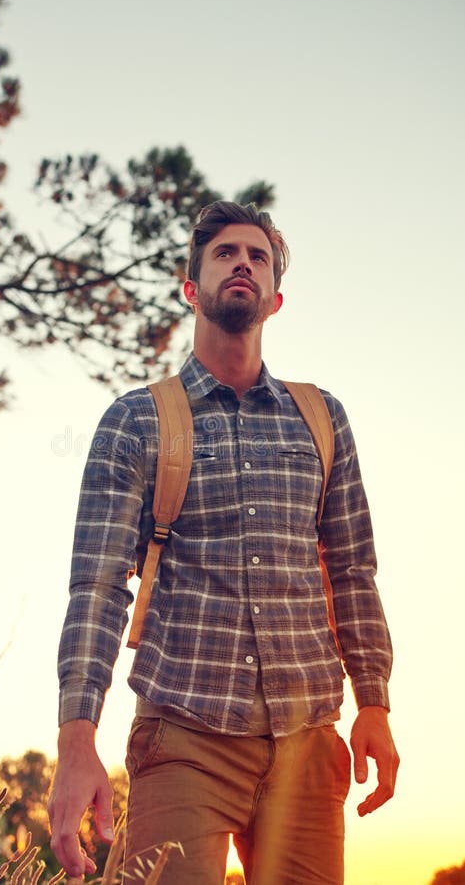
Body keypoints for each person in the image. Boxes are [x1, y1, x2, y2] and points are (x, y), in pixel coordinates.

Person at [48, 201, 399, 884]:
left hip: (307, 745)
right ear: (191, 288)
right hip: (183, 741)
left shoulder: (321, 418)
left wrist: (375, 705)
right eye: (224, 254)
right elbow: (97, 586)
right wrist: (76, 739)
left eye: (257, 257)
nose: (242, 262)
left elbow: (352, 573)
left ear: (274, 299)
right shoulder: (137, 419)